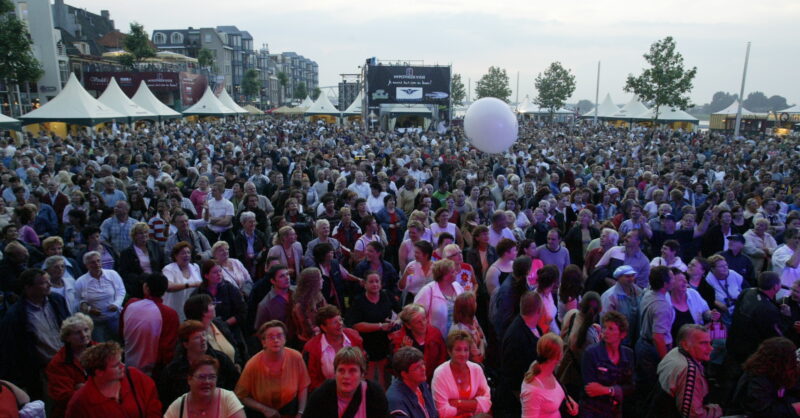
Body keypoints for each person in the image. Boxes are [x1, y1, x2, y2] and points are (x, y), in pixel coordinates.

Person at [65, 341, 162, 417]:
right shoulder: (80, 403)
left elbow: (153, 404)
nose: (123, 366)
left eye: (121, 361)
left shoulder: (135, 376)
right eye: (116, 365)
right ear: (99, 372)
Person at [158, 321, 239, 409]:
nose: (203, 339)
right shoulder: (173, 370)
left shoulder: (221, 360)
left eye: (204, 335)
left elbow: (236, 387)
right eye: (197, 338)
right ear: (186, 344)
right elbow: (165, 400)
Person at [235, 320, 309, 417]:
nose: (276, 340)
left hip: (291, 411)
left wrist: (300, 413)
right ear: (263, 342)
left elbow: (303, 386)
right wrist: (264, 409)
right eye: (270, 337)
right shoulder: (253, 365)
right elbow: (241, 396)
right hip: (262, 414)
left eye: (279, 336)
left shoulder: (296, 357)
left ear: (285, 339)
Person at [649, 324, 721, 418]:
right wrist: (716, 411)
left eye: (710, 343)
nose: (710, 348)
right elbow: (693, 415)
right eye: (703, 343)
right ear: (685, 345)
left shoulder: (675, 352)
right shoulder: (689, 370)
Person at [303, 346, 389, 418]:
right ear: (335, 373)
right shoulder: (322, 395)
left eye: (352, 371)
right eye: (341, 370)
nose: (346, 376)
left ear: (362, 374)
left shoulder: (374, 394)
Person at [347, 271, 398, 388]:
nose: (375, 284)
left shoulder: (386, 296)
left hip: (385, 343)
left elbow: (401, 312)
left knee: (384, 378)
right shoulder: (358, 301)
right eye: (371, 282)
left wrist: (396, 321)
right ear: (364, 284)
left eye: (377, 281)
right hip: (366, 344)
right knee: (368, 378)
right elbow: (355, 325)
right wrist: (379, 326)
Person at [121, 273, 179, 376]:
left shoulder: (130, 304)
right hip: (153, 372)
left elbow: (121, 332)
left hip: (128, 366)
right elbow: (167, 348)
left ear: (146, 287)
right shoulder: (169, 314)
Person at [497, 291, 544, 418]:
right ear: (539, 310)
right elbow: (513, 375)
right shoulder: (516, 336)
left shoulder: (533, 327)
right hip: (518, 398)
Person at [580, 311, 635, 418]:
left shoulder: (628, 354)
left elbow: (631, 387)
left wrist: (609, 390)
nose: (605, 331)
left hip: (615, 410)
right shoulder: (591, 353)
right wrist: (618, 390)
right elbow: (590, 389)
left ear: (622, 334)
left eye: (611, 329)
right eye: (604, 327)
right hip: (593, 410)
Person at [726, 271, 788, 365]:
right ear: (775, 287)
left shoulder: (746, 291)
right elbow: (776, 336)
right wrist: (786, 317)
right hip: (750, 353)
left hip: (732, 342)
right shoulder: (768, 309)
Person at [730, 337, 800, 417]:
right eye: (792, 358)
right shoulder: (756, 379)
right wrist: (793, 408)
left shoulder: (783, 373)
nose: (795, 361)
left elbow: (794, 391)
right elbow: (762, 411)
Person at [635, 266, 675, 402]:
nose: (674, 279)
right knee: (653, 390)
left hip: (642, 344)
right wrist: (666, 362)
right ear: (665, 284)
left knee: (644, 385)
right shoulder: (662, 306)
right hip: (654, 351)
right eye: (672, 277)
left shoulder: (648, 293)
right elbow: (658, 337)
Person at [303, 304, 365, 391]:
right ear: (324, 327)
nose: (340, 324)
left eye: (340, 320)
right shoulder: (311, 347)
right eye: (335, 322)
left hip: (355, 389)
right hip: (326, 393)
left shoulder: (354, 336)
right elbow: (312, 379)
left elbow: (363, 362)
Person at [431, 330, 492, 417]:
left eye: (466, 349)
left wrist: (457, 403)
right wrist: (474, 403)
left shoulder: (476, 369)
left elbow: (486, 404)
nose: (463, 354)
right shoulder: (440, 374)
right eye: (458, 350)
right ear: (449, 351)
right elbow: (443, 412)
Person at [164, 355, 245, 418]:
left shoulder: (228, 399)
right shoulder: (177, 407)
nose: (207, 381)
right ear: (189, 379)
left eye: (212, 377)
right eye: (201, 377)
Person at [194, 259, 247, 354]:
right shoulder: (198, 294)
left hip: (231, 328)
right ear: (206, 276)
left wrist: (224, 325)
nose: (219, 274)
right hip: (208, 331)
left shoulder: (230, 288)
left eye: (220, 271)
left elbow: (242, 312)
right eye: (215, 272)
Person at [520, 332, 579, 417]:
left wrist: (568, 399)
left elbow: (553, 393)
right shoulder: (533, 391)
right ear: (558, 356)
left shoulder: (546, 368)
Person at [46, 313, 94, 418]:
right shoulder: (58, 363)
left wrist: (82, 387)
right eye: (77, 333)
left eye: (86, 330)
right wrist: (95, 387)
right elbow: (63, 397)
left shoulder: (101, 350)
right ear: (67, 338)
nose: (84, 335)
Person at [558, 292, 602, 398]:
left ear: (580, 304)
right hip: (576, 381)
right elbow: (591, 365)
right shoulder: (588, 338)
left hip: (564, 375)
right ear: (600, 310)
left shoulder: (571, 314)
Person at [389, 304, 448, 382]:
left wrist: (439, 375)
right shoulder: (399, 339)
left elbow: (443, 356)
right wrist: (404, 352)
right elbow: (397, 368)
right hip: (411, 381)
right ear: (408, 325)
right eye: (418, 322)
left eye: (424, 319)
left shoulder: (435, 333)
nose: (423, 324)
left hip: (434, 377)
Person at [74, 251, 125, 341]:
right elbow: (77, 301)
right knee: (100, 345)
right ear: (86, 265)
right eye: (92, 262)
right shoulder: (80, 281)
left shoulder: (112, 274)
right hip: (95, 321)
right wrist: (89, 310)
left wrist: (116, 304)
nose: (97, 264)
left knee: (120, 340)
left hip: (114, 317)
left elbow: (121, 291)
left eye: (98, 261)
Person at [184, 294, 242, 367]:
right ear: (202, 311)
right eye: (211, 304)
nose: (215, 306)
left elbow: (235, 348)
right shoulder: (191, 333)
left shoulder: (219, 324)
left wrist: (237, 364)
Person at [415, 259, 464, 338]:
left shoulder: (458, 286)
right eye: (452, 272)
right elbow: (416, 315)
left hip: (458, 336)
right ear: (444, 276)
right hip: (436, 338)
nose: (456, 273)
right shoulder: (427, 291)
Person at [386, 346, 439, 418]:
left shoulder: (421, 384)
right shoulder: (396, 401)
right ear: (404, 374)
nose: (423, 368)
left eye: (423, 364)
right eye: (417, 367)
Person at [118, 222, 166, 299]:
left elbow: (163, 262)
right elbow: (124, 273)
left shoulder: (155, 245)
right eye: (140, 233)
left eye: (146, 232)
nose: (144, 235)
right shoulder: (127, 252)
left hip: (157, 283)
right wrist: (142, 278)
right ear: (134, 236)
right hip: (139, 286)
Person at [162, 241, 203, 322]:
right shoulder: (168, 269)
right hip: (173, 309)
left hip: (191, 311)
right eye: (183, 253)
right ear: (176, 256)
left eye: (188, 252)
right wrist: (191, 284)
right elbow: (168, 287)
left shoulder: (195, 267)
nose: (186, 255)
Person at [290, 267, 326, 347]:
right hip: (308, 343)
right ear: (313, 283)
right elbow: (309, 331)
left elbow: (328, 313)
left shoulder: (319, 295)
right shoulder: (300, 306)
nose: (323, 280)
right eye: (320, 278)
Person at [449, 292, 486, 364]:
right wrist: (481, 342)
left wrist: (482, 342)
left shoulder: (473, 318)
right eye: (474, 302)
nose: (476, 303)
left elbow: (482, 336)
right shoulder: (461, 332)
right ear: (469, 308)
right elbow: (478, 358)